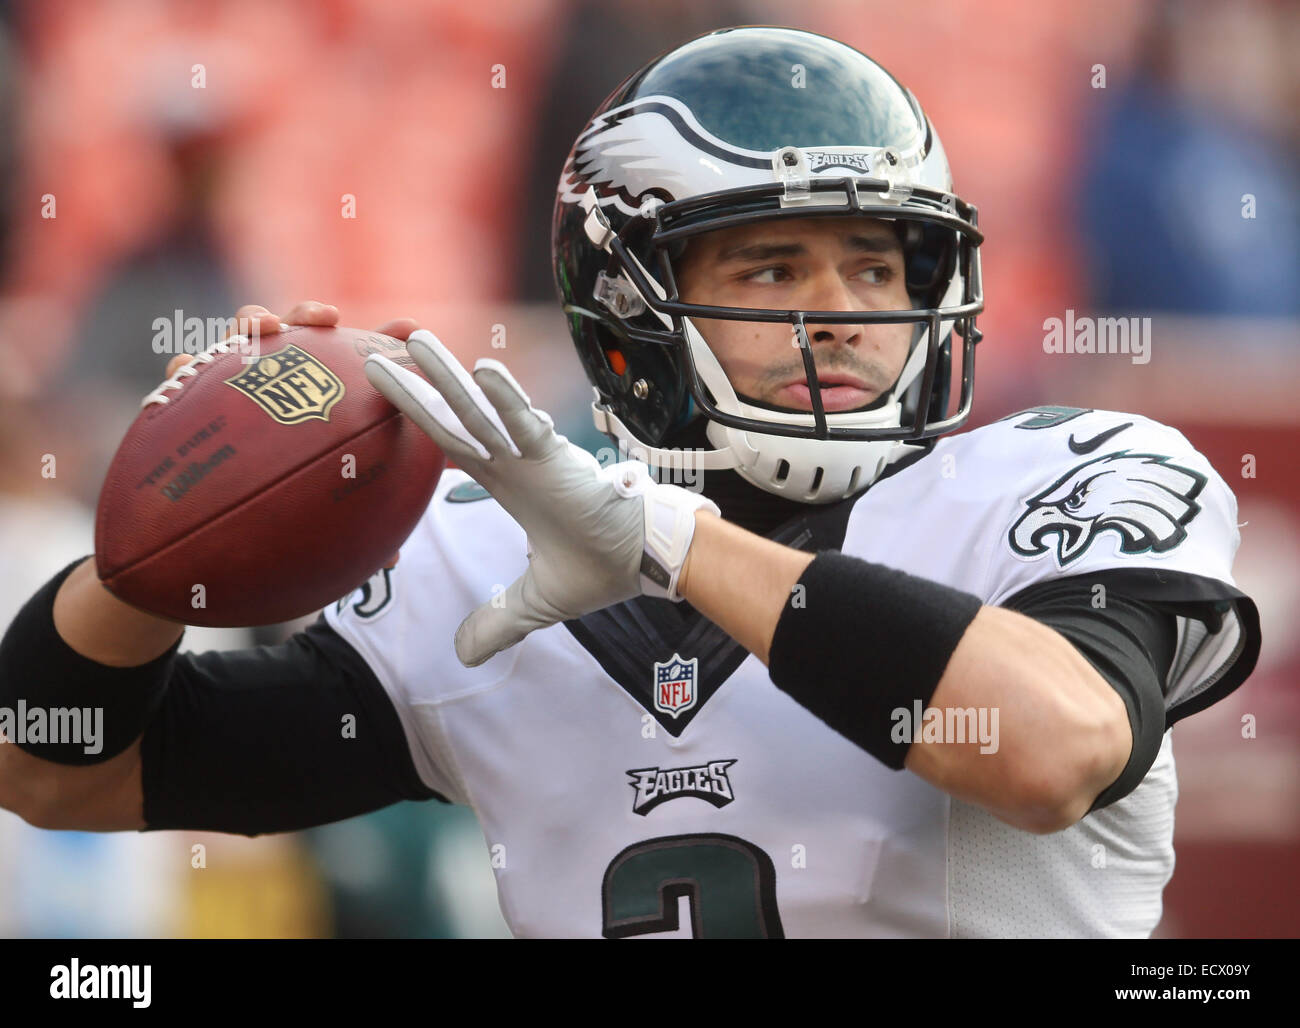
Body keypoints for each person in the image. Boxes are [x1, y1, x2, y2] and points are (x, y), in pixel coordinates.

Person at [0, 27, 1260, 938]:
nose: (843, 311)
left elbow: (1053, 745)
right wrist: (160, 545)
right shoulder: (479, 571)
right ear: (627, 315)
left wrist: (661, 537)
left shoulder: (1046, 481)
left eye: (878, 267)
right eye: (773, 268)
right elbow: (54, 766)